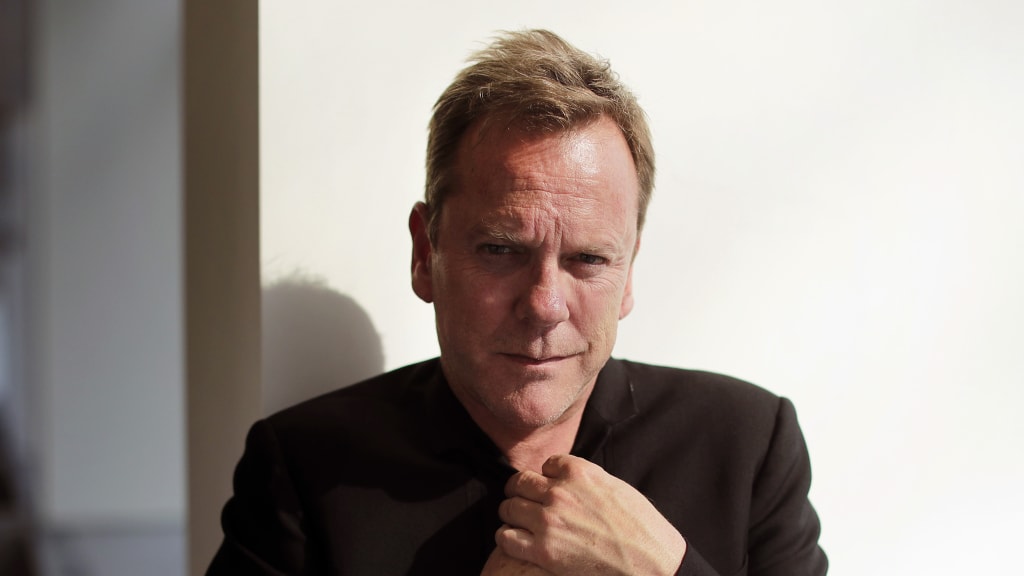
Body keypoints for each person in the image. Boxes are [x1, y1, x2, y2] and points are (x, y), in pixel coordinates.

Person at [207, 29, 827, 576]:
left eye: (588, 259)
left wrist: (661, 569)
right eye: (501, 249)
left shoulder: (746, 443)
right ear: (425, 253)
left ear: (629, 271)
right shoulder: (302, 470)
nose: (545, 304)